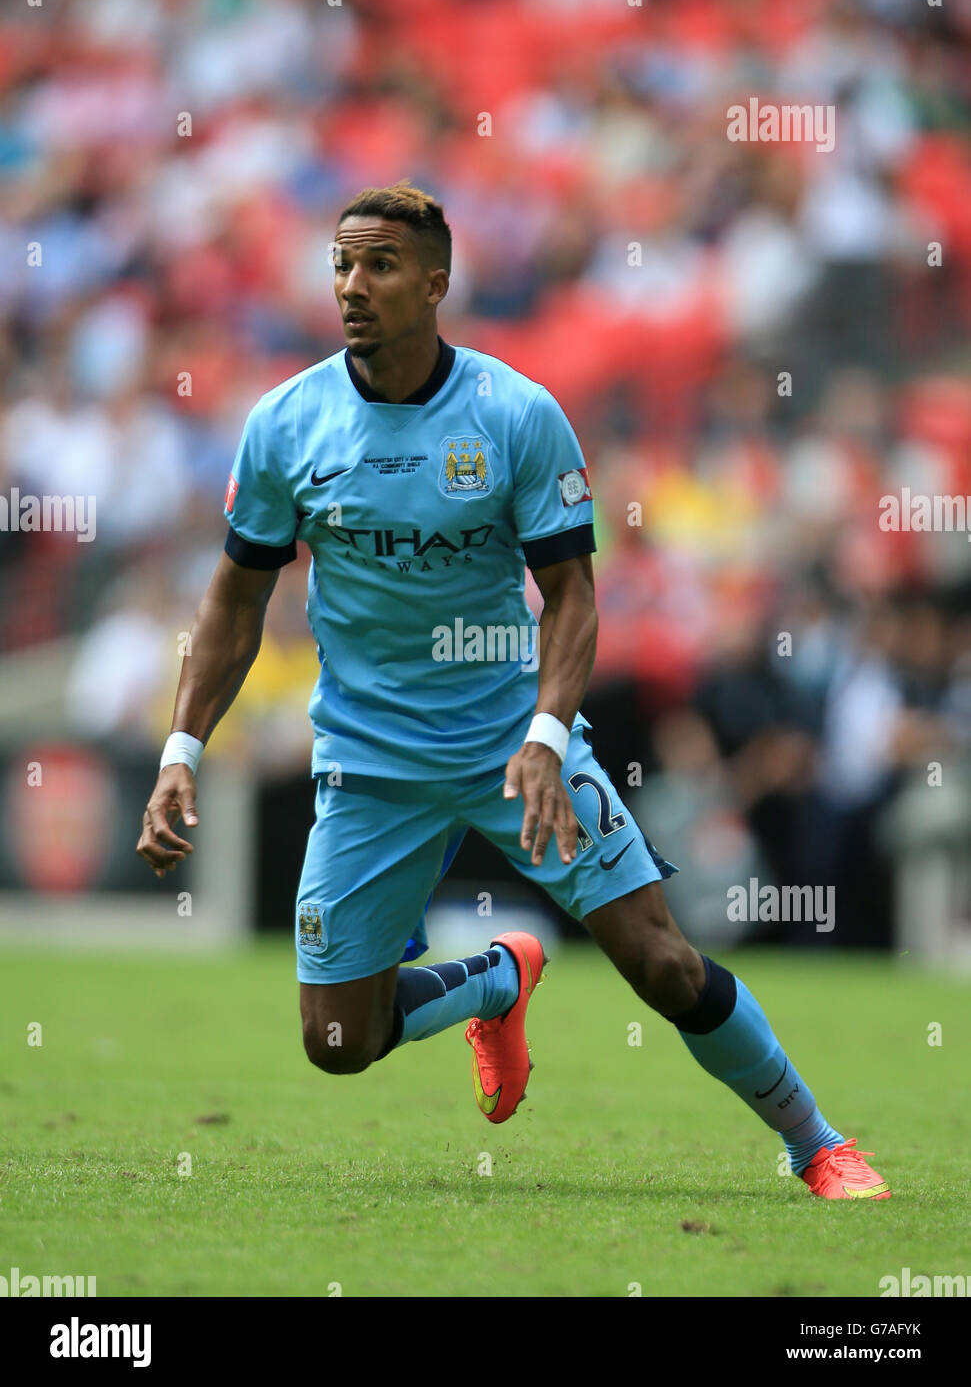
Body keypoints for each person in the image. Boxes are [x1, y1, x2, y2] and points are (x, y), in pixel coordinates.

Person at [137, 181, 889, 1199]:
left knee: (661, 964)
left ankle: (817, 1143)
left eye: (381, 265)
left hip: (511, 742)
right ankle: (496, 975)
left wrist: (545, 730)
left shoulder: (514, 414)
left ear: (436, 281)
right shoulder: (285, 424)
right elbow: (231, 604)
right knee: (332, 1043)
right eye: (341, 265)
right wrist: (182, 749)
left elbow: (573, 597)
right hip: (369, 759)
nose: (352, 286)